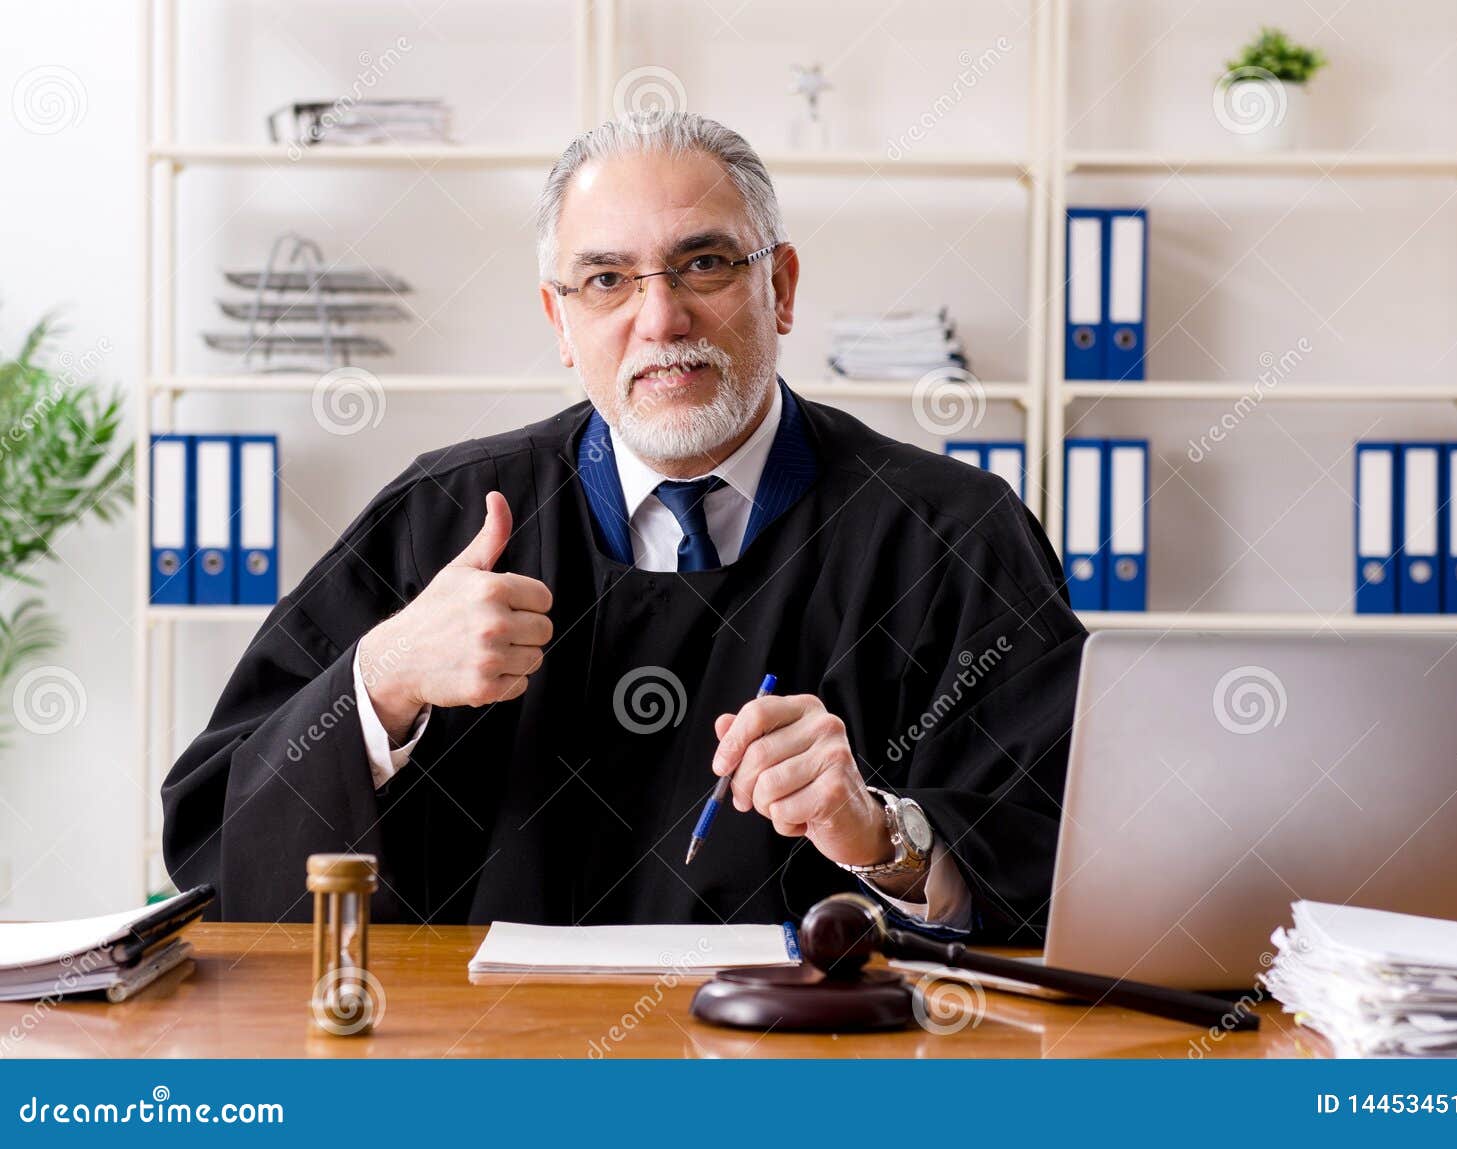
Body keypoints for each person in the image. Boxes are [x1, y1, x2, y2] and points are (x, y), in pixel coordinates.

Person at [162, 112, 1087, 941]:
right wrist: (384, 681)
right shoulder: (440, 517)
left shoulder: (953, 535)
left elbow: (1090, 874)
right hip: (486, 1072)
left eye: (707, 263)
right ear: (560, 321)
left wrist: (887, 837)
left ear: (784, 288)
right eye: (607, 279)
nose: (661, 316)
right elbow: (212, 836)